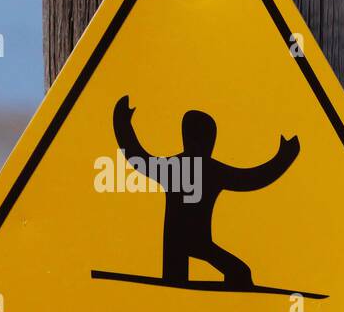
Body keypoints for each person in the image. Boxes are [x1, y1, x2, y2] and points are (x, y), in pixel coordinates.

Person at [112, 94, 299, 288]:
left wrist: (122, 121)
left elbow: (136, 156)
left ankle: (175, 281)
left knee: (184, 275)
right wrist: (284, 156)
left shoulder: (175, 166)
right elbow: (252, 178)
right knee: (240, 273)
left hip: (180, 242)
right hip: (195, 241)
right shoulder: (208, 170)